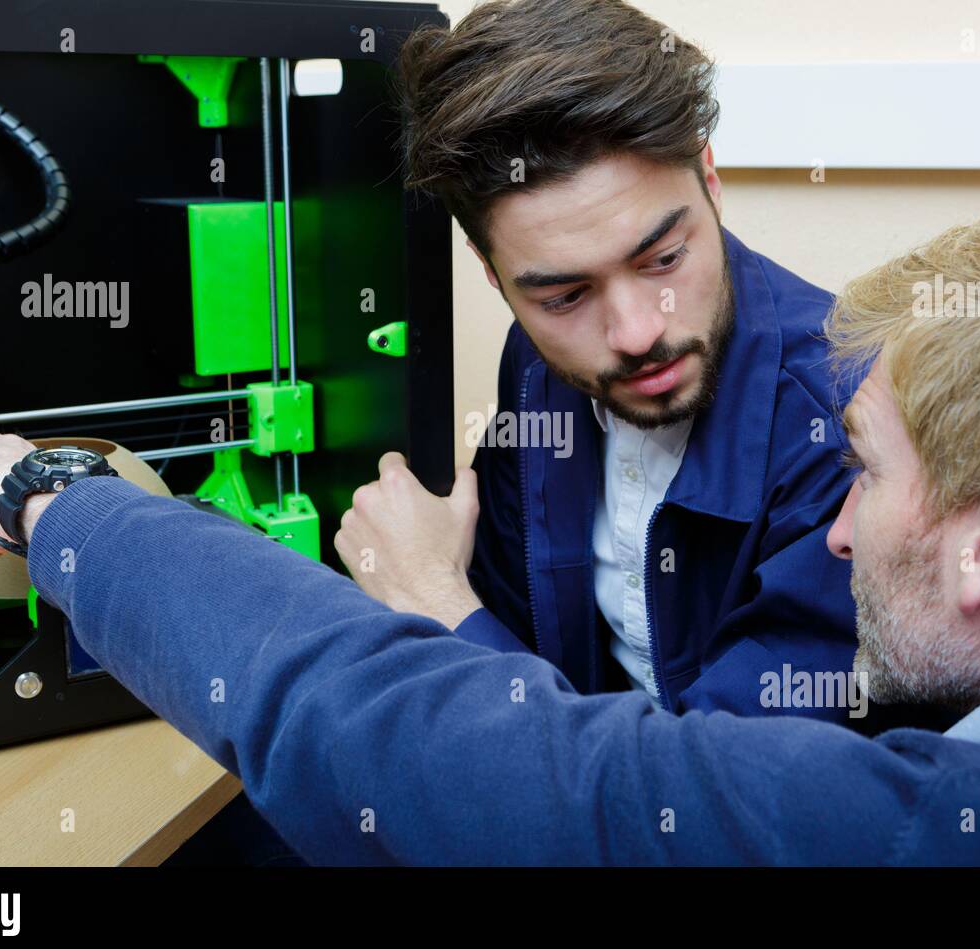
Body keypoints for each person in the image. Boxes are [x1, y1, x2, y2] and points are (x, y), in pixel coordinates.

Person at [0, 188, 980, 864]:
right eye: (557, 291)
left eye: (863, 473)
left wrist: (57, 502)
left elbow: (580, 788)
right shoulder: (536, 383)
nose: (625, 331)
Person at [325, 0, 881, 724]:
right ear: (494, 276)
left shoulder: (851, 428)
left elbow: (717, 801)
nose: (636, 332)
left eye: (664, 259)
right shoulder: (536, 361)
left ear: (710, 182)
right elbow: (512, 617)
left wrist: (434, 601)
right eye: (564, 295)